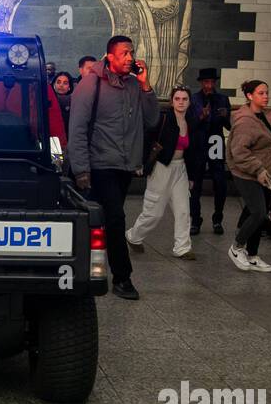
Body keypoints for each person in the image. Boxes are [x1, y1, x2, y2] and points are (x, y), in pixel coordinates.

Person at [67, 35, 159, 300]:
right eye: (124, 54)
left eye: (131, 53)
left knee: (104, 219)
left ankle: (87, 267)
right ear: (110, 56)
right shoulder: (90, 84)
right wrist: (82, 169)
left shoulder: (133, 85)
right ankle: (122, 277)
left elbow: (152, 121)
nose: (130, 58)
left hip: (125, 165)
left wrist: (145, 87)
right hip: (99, 164)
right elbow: (77, 128)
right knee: (116, 219)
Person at [225, 79, 271, 273]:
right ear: (249, 96)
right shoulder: (245, 121)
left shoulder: (267, 116)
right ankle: (237, 247)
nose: (266, 96)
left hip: (266, 172)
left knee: (259, 215)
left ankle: (252, 255)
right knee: (259, 212)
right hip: (247, 173)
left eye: (267, 92)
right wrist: (258, 169)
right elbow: (239, 152)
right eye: (261, 93)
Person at [126, 85, 197, 259]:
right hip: (161, 168)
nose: (181, 102)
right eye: (177, 99)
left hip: (180, 169)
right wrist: (140, 162)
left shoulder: (192, 121)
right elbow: (147, 138)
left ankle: (182, 247)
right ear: (172, 101)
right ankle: (133, 236)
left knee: (183, 210)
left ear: (189, 101)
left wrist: (192, 176)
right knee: (154, 212)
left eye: (184, 99)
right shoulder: (163, 118)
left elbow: (195, 150)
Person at [187, 67, 232, 235]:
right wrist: (201, 117)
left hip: (216, 143)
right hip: (198, 145)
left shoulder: (223, 99)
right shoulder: (193, 99)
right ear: (201, 82)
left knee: (220, 182)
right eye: (206, 82)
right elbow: (190, 125)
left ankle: (217, 219)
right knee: (195, 185)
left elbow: (229, 126)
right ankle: (195, 220)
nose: (209, 85)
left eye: (212, 82)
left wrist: (225, 116)